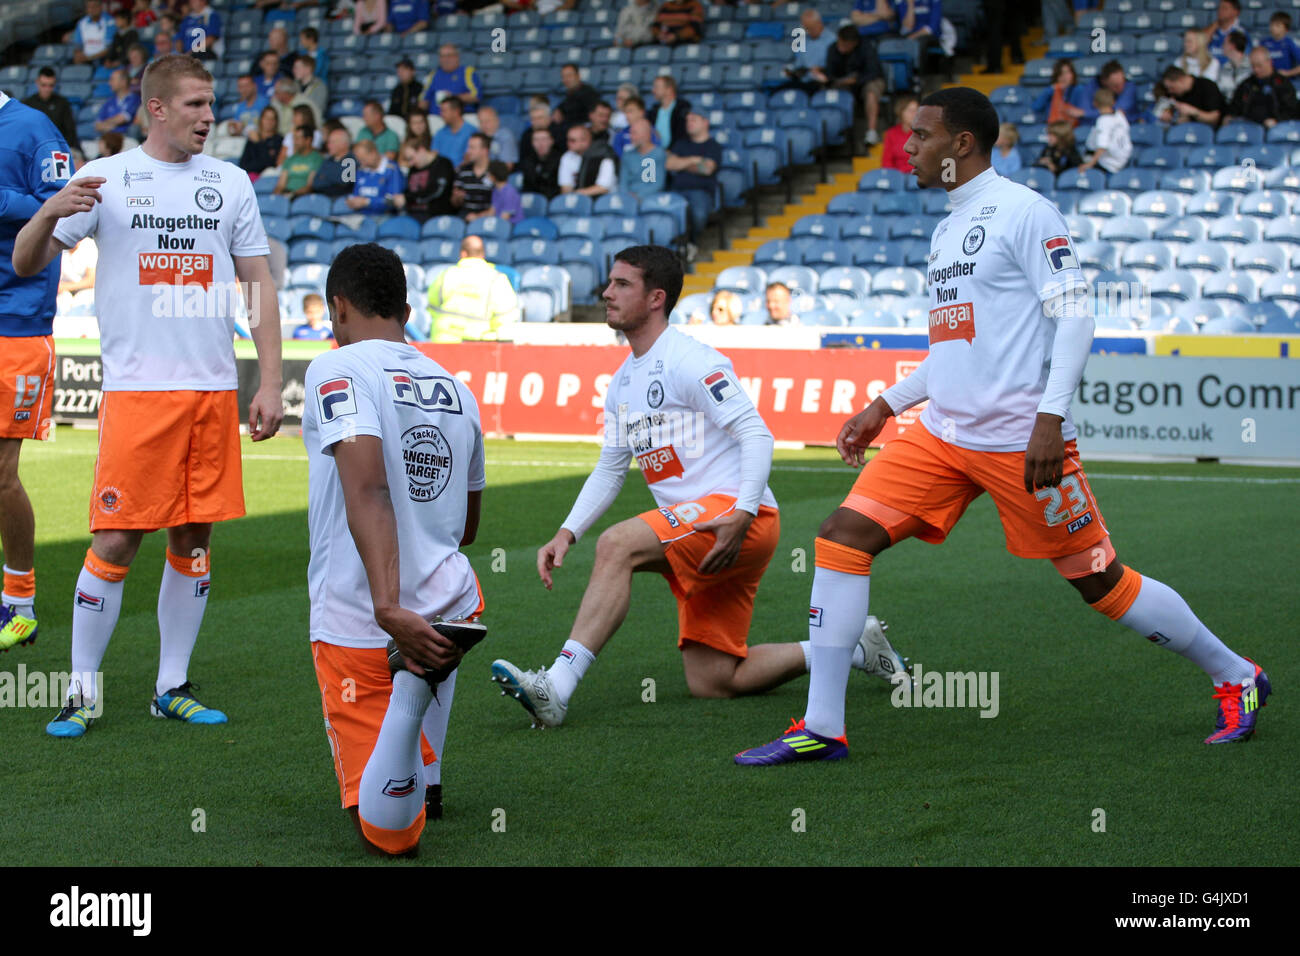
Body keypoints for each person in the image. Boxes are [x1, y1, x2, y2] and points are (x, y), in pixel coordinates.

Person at [734, 87, 1270, 767]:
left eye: (922, 137)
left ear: (963, 143)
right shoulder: (946, 228)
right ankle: (822, 726)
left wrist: (1051, 416)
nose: (909, 150)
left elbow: (1075, 313)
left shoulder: (1024, 211)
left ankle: (1235, 674)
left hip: (1021, 438)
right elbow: (955, 346)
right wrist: (887, 404)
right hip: (941, 434)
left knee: (1099, 581)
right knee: (842, 537)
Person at [491, 245, 906, 728]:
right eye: (609, 282)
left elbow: (757, 434)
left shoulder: (690, 359)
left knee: (618, 545)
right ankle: (851, 647)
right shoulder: (623, 381)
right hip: (697, 530)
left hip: (737, 517)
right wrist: (567, 532)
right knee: (715, 680)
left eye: (622, 284)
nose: (607, 292)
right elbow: (610, 468)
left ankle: (556, 687)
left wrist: (743, 512)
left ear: (655, 298)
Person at [12, 54, 284, 737]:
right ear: (156, 107)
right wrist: (49, 210)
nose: (209, 115)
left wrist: (270, 378)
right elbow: (24, 261)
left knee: (194, 538)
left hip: (215, 391)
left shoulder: (230, 183)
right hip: (140, 393)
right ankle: (80, 691)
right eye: (195, 104)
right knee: (115, 540)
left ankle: (172, 684)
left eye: (212, 102)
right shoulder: (105, 178)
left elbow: (256, 286)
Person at [303, 241, 486, 856]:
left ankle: (410, 685)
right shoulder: (459, 391)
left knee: (388, 836)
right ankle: (429, 780)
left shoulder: (337, 367)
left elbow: (369, 485)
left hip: (363, 616)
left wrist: (387, 606)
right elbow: (467, 526)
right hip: (452, 601)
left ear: (339, 307)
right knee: (418, 788)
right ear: (407, 309)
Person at [0, 87, 75, 654]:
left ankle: (19, 602)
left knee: (0, 472)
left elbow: (69, 205)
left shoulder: (32, 130)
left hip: (14, 322)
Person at [426, 235, 518, 342]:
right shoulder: (497, 279)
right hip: (478, 344)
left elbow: (432, 307)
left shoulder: (445, 275)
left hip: (443, 341)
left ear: (463, 253)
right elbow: (505, 317)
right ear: (483, 254)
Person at [814, 25, 887, 146]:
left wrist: (856, 80)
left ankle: (871, 132)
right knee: (830, 93)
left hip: (867, 81)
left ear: (854, 43)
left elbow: (874, 72)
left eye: (845, 45)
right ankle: (837, 132)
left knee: (871, 90)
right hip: (843, 84)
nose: (841, 47)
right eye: (840, 43)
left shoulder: (867, 47)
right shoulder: (833, 48)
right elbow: (830, 74)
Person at [665, 110, 721, 242]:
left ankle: (691, 243)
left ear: (705, 122)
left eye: (693, 119)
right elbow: (669, 164)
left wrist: (681, 163)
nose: (689, 123)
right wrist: (695, 160)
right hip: (676, 191)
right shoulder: (681, 144)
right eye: (687, 120)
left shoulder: (713, 146)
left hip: (701, 192)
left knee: (699, 215)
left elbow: (707, 169)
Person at [1228, 46, 1300, 128]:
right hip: (1247, 128)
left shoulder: (1283, 84)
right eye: (1253, 66)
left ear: (1269, 62)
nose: (1256, 70)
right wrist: (1229, 116)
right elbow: (1235, 107)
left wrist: (1277, 121)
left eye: (1259, 66)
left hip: (1275, 129)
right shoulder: (1246, 84)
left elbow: (1291, 111)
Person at [23, 67, 82, 157]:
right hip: (34, 149)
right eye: (44, 85)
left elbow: (70, 131)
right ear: (37, 83)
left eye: (51, 85)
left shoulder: (62, 103)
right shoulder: (27, 103)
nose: (47, 89)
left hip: (60, 149)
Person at [781, 9, 837, 96]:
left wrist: (820, 69)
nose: (808, 31)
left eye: (810, 28)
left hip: (821, 82)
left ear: (819, 23)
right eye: (805, 28)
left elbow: (836, 66)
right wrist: (793, 72)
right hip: (803, 81)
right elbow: (799, 64)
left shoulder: (832, 40)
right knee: (779, 92)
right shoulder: (803, 39)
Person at [398, 138, 455, 222]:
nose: (411, 163)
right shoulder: (413, 169)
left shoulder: (443, 164)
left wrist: (407, 199)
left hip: (435, 215)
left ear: (421, 150)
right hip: (411, 214)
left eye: (411, 158)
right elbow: (409, 191)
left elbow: (437, 191)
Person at [1078, 89, 1131, 174]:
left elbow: (1102, 146)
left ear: (1095, 103)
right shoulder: (1120, 115)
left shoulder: (1103, 121)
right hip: (1123, 158)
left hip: (1107, 163)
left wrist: (1090, 164)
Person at [558, 123, 617, 199]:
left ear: (585, 141)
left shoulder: (604, 154)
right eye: (568, 140)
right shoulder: (567, 156)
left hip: (606, 201)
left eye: (572, 140)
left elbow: (603, 188)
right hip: (580, 201)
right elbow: (566, 187)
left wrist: (576, 194)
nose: (568, 143)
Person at [347, 139, 404, 213]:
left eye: (363, 159)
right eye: (359, 160)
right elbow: (356, 194)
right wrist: (352, 201)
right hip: (360, 216)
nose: (362, 163)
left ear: (373, 153)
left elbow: (394, 201)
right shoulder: (361, 171)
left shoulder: (392, 169)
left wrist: (368, 202)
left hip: (384, 217)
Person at [1157, 66, 1226, 128]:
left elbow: (1214, 119)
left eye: (1172, 88)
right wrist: (1168, 116)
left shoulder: (1207, 86)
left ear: (1181, 80)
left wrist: (1193, 112)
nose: (1170, 91)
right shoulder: (1173, 94)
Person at [420, 45, 478, 113]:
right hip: (435, 118)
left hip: (462, 118)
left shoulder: (467, 72)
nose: (445, 59)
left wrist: (453, 98)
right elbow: (423, 100)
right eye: (442, 56)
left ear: (457, 57)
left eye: (449, 56)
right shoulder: (433, 75)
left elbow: (476, 96)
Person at [619, 118, 667, 198]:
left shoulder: (659, 154)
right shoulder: (627, 155)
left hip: (651, 200)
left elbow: (658, 184)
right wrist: (627, 197)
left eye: (634, 133)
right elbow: (623, 183)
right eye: (630, 133)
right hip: (628, 200)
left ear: (646, 135)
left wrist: (638, 196)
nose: (631, 137)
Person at [452, 133, 494, 220]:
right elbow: (455, 203)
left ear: (484, 151)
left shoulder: (496, 171)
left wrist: (478, 217)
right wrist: (457, 198)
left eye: (472, 148)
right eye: (468, 147)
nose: (468, 151)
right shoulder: (463, 170)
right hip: (465, 215)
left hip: (489, 217)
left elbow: (502, 202)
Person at [1031, 59, 1085, 127]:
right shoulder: (1051, 90)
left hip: (1074, 127)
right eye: (1060, 73)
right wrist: (1050, 89)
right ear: (1056, 76)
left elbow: (1084, 112)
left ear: (1073, 74)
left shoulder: (1079, 89)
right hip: (1054, 128)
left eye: (1067, 72)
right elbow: (1036, 107)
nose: (1064, 76)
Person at [275, 123, 322, 196]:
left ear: (308, 140)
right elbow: (281, 185)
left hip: (304, 199)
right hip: (286, 196)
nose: (294, 142)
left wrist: (292, 195)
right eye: (294, 138)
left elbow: (310, 186)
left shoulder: (317, 159)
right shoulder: (290, 159)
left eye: (297, 139)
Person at [554, 64, 601, 134]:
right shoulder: (569, 94)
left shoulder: (589, 93)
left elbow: (594, 118)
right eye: (563, 77)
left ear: (578, 76)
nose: (566, 80)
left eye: (569, 76)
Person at [310, 125, 356, 197]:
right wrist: (335, 178)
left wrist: (325, 176)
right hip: (322, 199)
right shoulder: (327, 161)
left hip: (342, 201)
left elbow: (344, 184)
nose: (328, 146)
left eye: (332, 142)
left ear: (343, 144)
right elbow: (316, 183)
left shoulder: (351, 160)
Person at [647, 74, 690, 150]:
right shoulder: (652, 112)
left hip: (676, 155)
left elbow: (683, 136)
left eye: (656, 87)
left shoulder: (683, 109)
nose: (653, 91)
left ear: (669, 89)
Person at [95, 69, 141, 137]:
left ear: (123, 82)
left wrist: (106, 125)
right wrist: (113, 124)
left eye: (112, 80)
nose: (109, 83)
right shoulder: (109, 102)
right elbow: (97, 126)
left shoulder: (135, 99)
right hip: (108, 139)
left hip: (126, 139)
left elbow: (123, 118)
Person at [240, 106, 283, 177]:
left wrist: (258, 143)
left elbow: (271, 163)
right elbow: (243, 164)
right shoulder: (253, 138)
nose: (269, 121)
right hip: (249, 175)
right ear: (261, 119)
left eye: (272, 119)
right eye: (266, 118)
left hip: (268, 177)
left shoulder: (279, 140)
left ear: (276, 122)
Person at [69, 0, 116, 65]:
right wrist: (78, 55)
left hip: (103, 59)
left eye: (94, 6)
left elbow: (109, 48)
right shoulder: (82, 23)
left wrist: (90, 58)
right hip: (85, 59)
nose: (92, 9)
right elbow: (77, 45)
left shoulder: (110, 22)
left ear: (100, 7)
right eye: (89, 7)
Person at [520, 127, 561, 199]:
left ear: (551, 141)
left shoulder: (560, 160)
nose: (540, 143)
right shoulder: (528, 161)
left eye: (544, 139)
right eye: (536, 140)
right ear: (532, 143)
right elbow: (527, 187)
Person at [881, 94, 917, 172]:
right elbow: (886, 161)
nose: (914, 114)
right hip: (896, 178)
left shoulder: (922, 134)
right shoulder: (891, 134)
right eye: (910, 111)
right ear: (901, 112)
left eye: (916, 111)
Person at [290, 54, 328, 128]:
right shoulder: (294, 85)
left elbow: (318, 109)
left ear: (308, 69)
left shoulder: (320, 87)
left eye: (297, 68)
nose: (294, 70)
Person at [433, 97, 472, 167]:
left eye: (444, 111)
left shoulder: (471, 132)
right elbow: (434, 155)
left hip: (462, 174)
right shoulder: (439, 133)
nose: (441, 114)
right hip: (441, 174)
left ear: (456, 111)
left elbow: (469, 159)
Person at [1261, 11, 1300, 78]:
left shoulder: (1289, 43)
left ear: (1286, 29)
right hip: (1267, 79)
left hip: (1285, 81)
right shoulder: (1264, 43)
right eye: (1271, 25)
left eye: (1277, 25)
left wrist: (1288, 73)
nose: (1273, 28)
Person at [1217, 31, 1253, 102]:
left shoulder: (1252, 67)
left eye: (1225, 43)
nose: (1222, 46)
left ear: (1232, 46)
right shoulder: (1223, 68)